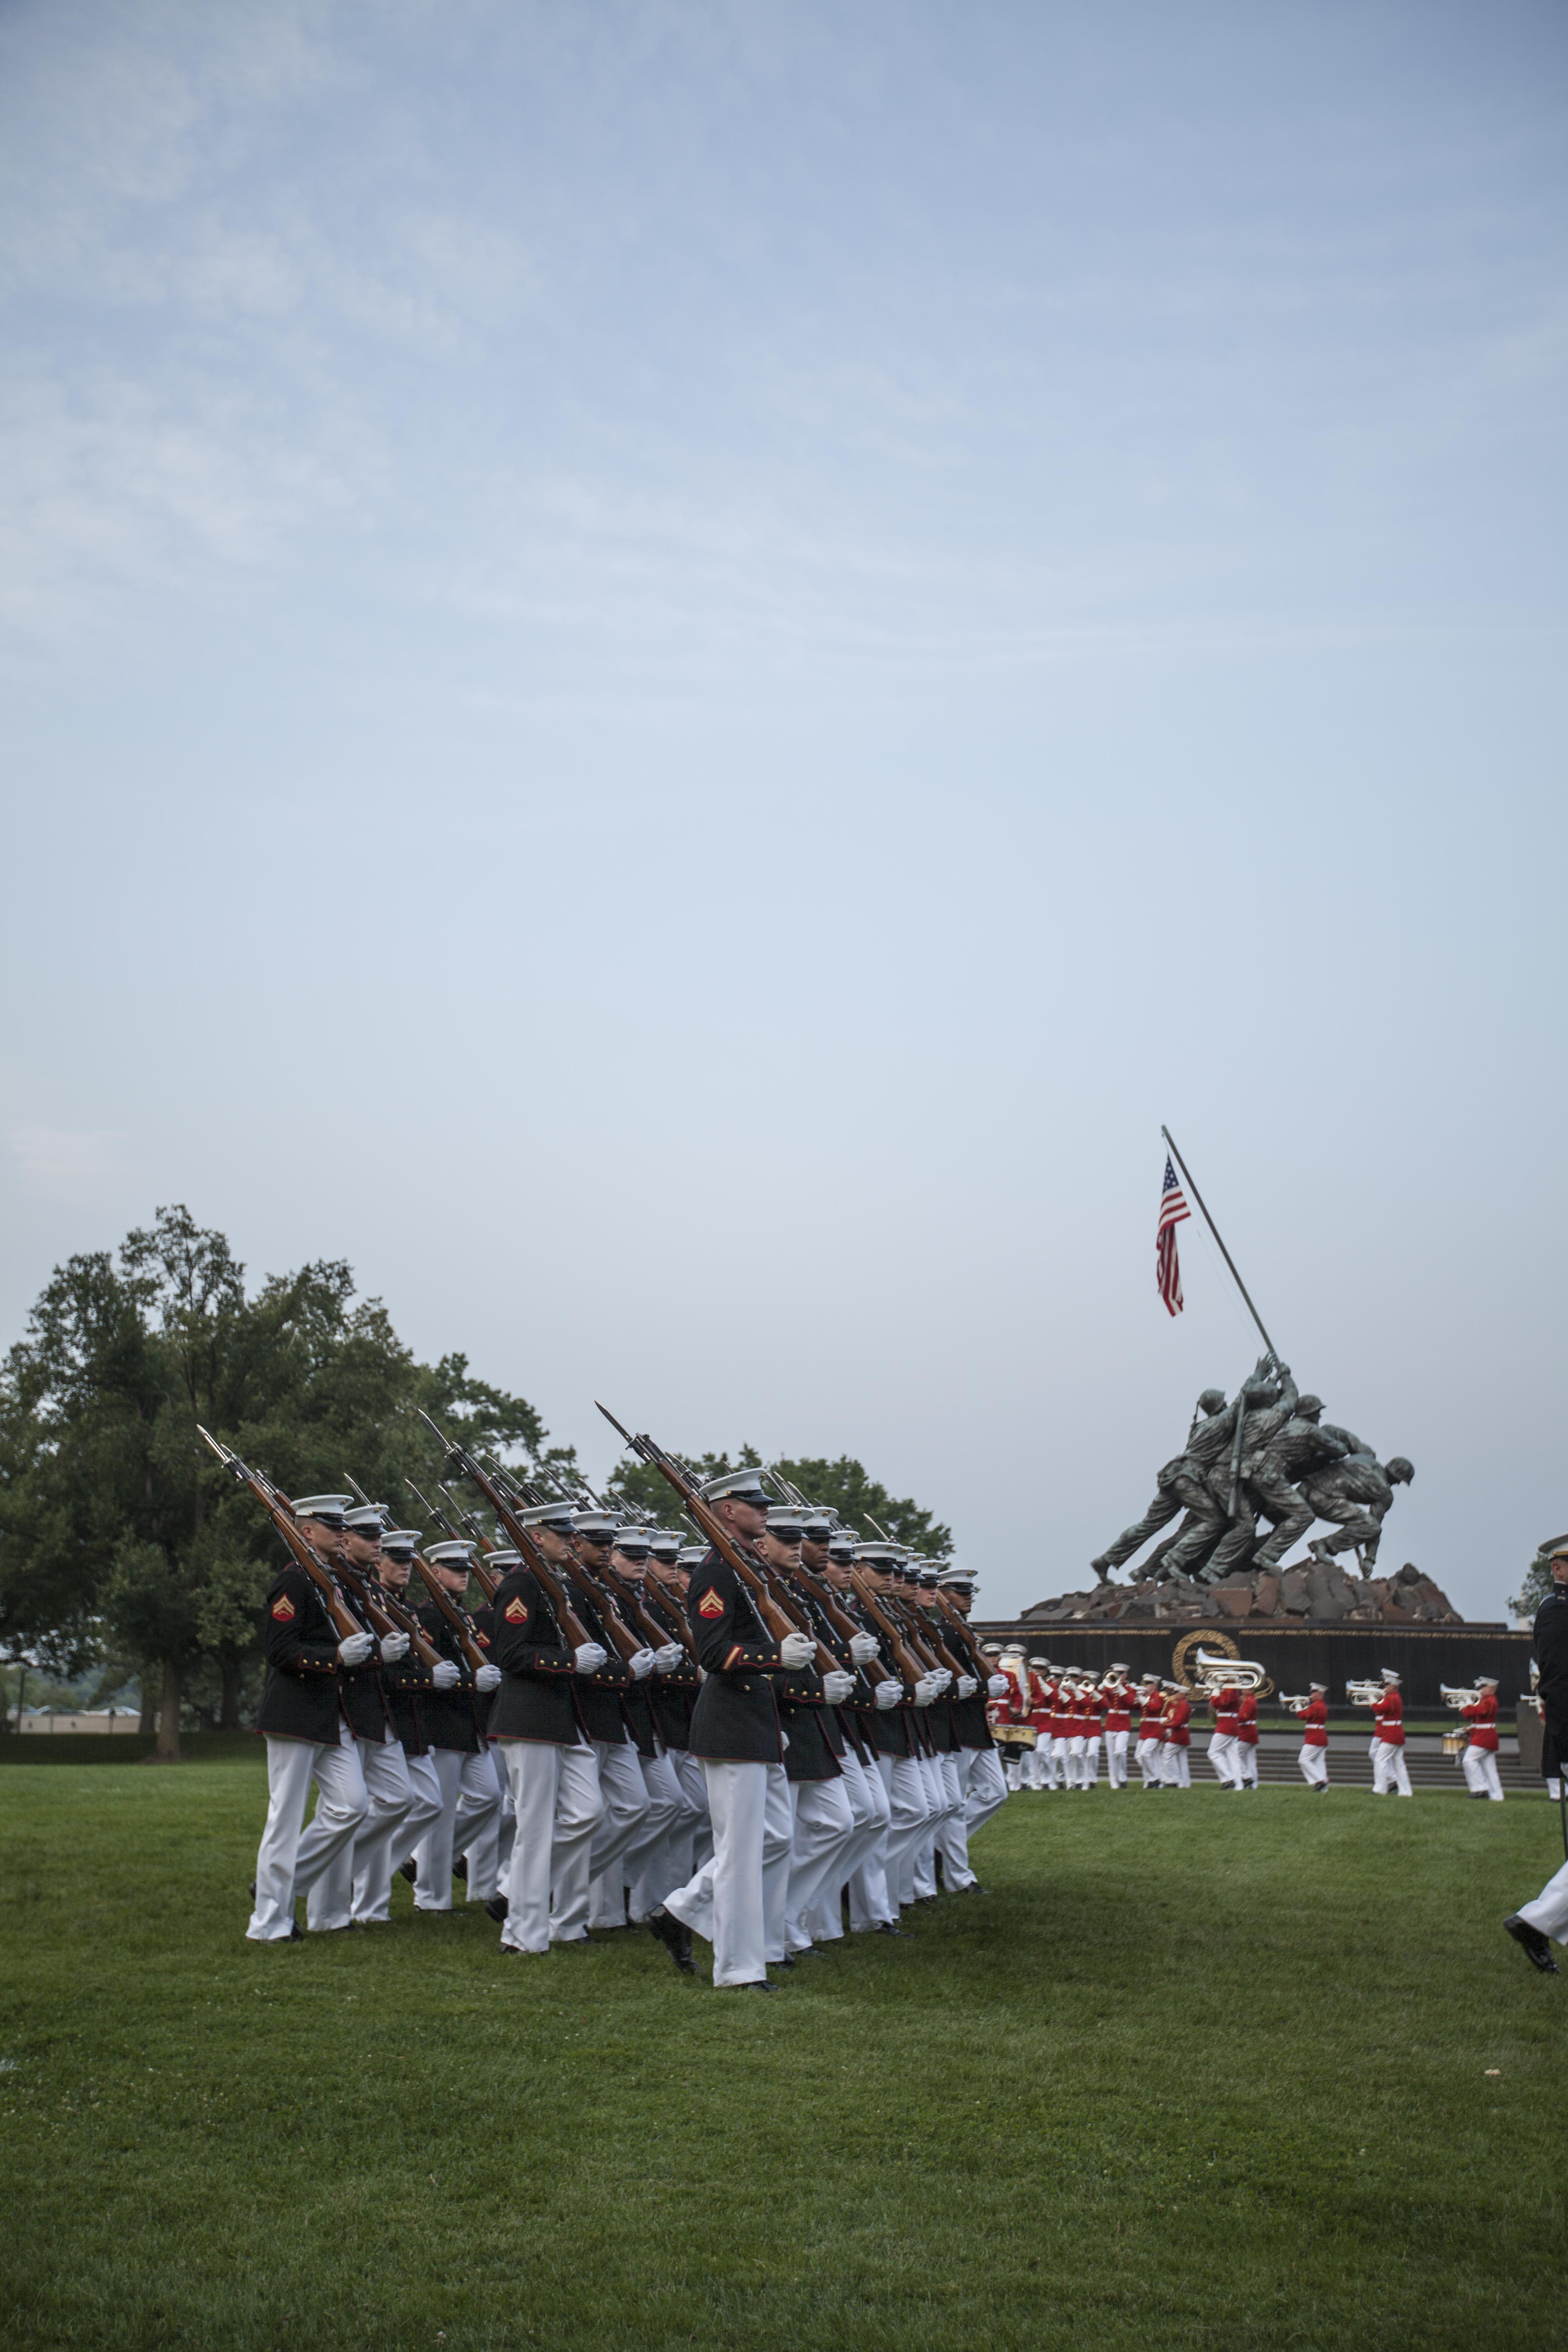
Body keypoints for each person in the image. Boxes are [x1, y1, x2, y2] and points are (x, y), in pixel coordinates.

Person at [646, 1469, 808, 1991]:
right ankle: (739, 1968)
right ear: (726, 1511)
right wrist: (774, 1657)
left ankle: (681, 1912)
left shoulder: (746, 1570)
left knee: (776, 1838)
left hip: (756, 1719)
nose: (765, 1512)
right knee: (740, 1850)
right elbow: (713, 1653)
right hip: (730, 1721)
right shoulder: (716, 1573)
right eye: (753, 1505)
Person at [246, 1495, 372, 1942]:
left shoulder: (329, 1582)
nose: (343, 1533)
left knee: (353, 1805)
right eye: (332, 1526)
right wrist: (335, 1655)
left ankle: (278, 1890)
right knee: (285, 1818)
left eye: (343, 1526)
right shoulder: (294, 1582)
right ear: (305, 1532)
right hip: (294, 1713)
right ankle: (268, 1923)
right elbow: (280, 1651)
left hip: (329, 1713)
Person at [487, 1511, 604, 1958]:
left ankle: (514, 1890)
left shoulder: (558, 1583)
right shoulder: (519, 1585)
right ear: (536, 1537)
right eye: (564, 1534)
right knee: (534, 1829)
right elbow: (511, 1655)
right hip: (529, 1718)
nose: (573, 1541)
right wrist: (570, 1662)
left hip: (562, 1717)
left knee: (588, 1812)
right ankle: (522, 1933)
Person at [356, 1524, 445, 1924]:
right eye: (397, 1560)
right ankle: (366, 1898)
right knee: (392, 1805)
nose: (405, 1567)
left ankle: (367, 1874)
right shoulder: (372, 1603)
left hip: (410, 1718)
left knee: (429, 1803)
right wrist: (428, 1680)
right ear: (380, 1564)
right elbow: (383, 1670)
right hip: (385, 1713)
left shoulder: (405, 1609)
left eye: (409, 1561)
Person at [409, 1539, 503, 1912]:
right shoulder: (429, 1617)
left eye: (466, 1569)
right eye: (454, 1569)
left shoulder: (461, 1615)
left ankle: (430, 1859)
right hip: (443, 1723)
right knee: (443, 1809)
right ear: (435, 1573)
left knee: (488, 1798)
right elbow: (438, 1674)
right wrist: (470, 1682)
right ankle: (431, 1897)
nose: (463, 1575)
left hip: (468, 1724)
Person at [1460, 1677, 1504, 1802]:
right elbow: (1472, 1716)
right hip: (1482, 1735)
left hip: (1485, 1737)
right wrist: (1470, 1728)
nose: (1478, 1690)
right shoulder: (1484, 1700)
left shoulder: (1490, 1701)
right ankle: (1497, 1796)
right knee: (1490, 1769)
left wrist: (1467, 1703)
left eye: (1481, 1688)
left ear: (1491, 1688)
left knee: (1468, 1760)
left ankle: (1480, 1788)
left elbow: (1477, 1712)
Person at [1369, 1670, 1412, 1797]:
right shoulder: (1393, 1697)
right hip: (1395, 1732)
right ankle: (1406, 1791)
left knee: (1380, 1759)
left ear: (1393, 1686)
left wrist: (1372, 1701)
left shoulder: (1392, 1698)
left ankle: (1380, 1789)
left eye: (1387, 1685)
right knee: (1399, 1763)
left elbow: (1380, 1709)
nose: (1385, 1687)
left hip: (1392, 1733)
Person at [1101, 1668, 1133, 1790]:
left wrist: (1120, 1687)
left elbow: (1130, 1701)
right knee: (1111, 1756)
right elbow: (1099, 1691)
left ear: (1125, 1675)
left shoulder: (1129, 1688)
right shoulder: (1110, 1686)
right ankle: (1113, 1782)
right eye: (1117, 1673)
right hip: (1111, 1723)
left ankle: (1122, 1778)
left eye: (1121, 1673)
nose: (1119, 1676)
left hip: (1124, 1724)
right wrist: (1106, 1682)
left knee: (1120, 1752)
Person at [1294, 1683, 1330, 1789]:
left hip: (1315, 1738)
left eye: (1313, 1693)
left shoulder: (1317, 1706)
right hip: (1319, 1737)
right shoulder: (1319, 1705)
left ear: (1319, 1694)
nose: (1311, 1695)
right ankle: (1323, 1788)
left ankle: (1321, 1781)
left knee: (1303, 1760)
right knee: (1319, 1764)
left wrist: (1298, 1706)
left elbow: (1302, 1716)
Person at [1207, 1681, 1241, 1791]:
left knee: (1213, 1753)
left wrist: (1215, 1692)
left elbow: (1219, 1704)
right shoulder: (1231, 1691)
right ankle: (1238, 1785)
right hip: (1230, 1724)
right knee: (1233, 1758)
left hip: (1226, 1726)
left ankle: (1228, 1779)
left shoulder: (1230, 1691)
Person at [1160, 1682, 1191, 1789]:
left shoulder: (1182, 1704)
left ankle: (1175, 1779)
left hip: (1179, 1735)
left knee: (1167, 1756)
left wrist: (1165, 1724)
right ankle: (1184, 1783)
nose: (1175, 1694)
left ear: (1182, 1694)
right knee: (1182, 1760)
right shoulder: (1183, 1704)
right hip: (1183, 1734)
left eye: (1177, 1693)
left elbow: (1178, 1722)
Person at [1135, 1677, 1165, 1789]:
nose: (1146, 1686)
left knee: (1145, 1754)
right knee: (1139, 1755)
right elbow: (1132, 1705)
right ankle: (1155, 1779)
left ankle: (1154, 1779)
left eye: (1148, 1684)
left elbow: (1154, 1708)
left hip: (1154, 1729)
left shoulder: (1159, 1696)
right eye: (1145, 1684)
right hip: (1145, 1729)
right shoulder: (1145, 1696)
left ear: (1154, 1686)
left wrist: (1140, 1698)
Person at [1234, 1683, 1260, 1788]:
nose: (1242, 1689)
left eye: (1245, 1687)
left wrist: (1234, 1715)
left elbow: (1244, 1717)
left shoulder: (1249, 1701)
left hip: (1247, 1732)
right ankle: (1253, 1784)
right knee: (1250, 1760)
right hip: (1250, 1732)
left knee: (1235, 1755)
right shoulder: (1250, 1700)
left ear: (1251, 1690)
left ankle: (1246, 1777)